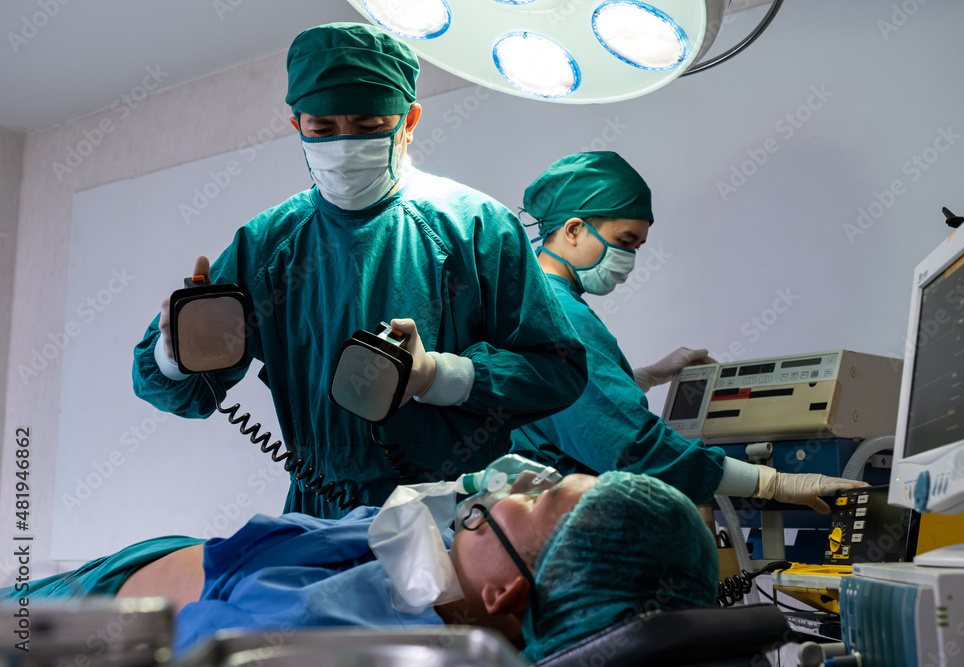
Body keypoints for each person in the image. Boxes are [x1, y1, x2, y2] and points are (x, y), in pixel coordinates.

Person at [132, 23, 588, 519]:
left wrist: (437, 375)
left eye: (369, 126)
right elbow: (178, 391)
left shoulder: (477, 226)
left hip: (457, 520)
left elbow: (558, 370)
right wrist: (175, 353)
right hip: (317, 517)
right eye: (323, 130)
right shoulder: (268, 245)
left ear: (409, 120)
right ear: (296, 126)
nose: (345, 144)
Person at [3, 470, 718, 661]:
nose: (512, 479)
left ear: (504, 591)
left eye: (534, 494)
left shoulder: (316, 637)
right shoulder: (438, 579)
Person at [512, 151, 864, 512]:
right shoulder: (561, 316)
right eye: (624, 241)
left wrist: (645, 376)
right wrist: (771, 483)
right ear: (573, 229)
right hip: (545, 528)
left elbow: (561, 402)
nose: (630, 258)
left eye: (637, 247)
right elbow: (632, 445)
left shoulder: (533, 302)